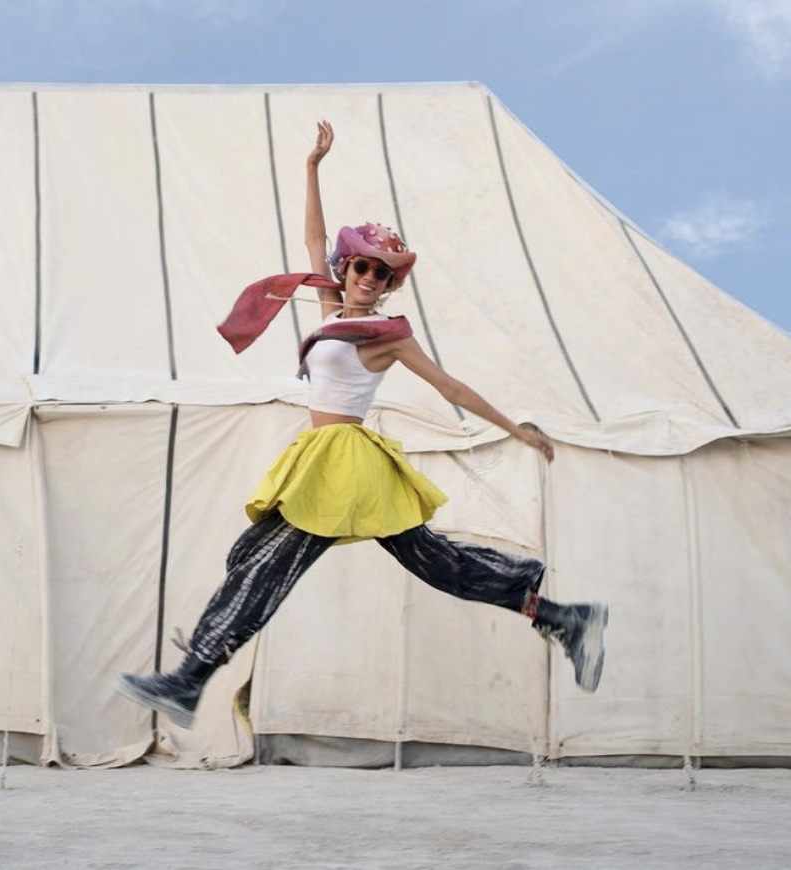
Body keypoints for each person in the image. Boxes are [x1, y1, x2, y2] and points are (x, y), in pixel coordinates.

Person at [116, 120, 607, 729]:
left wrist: (516, 428)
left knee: (268, 566)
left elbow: (449, 386)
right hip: (325, 456)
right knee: (422, 562)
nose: (370, 279)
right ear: (347, 270)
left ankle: (188, 680)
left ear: (389, 283)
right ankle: (563, 617)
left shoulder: (387, 336)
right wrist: (312, 168)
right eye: (362, 269)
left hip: (343, 465)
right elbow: (314, 238)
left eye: (383, 274)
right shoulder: (329, 312)